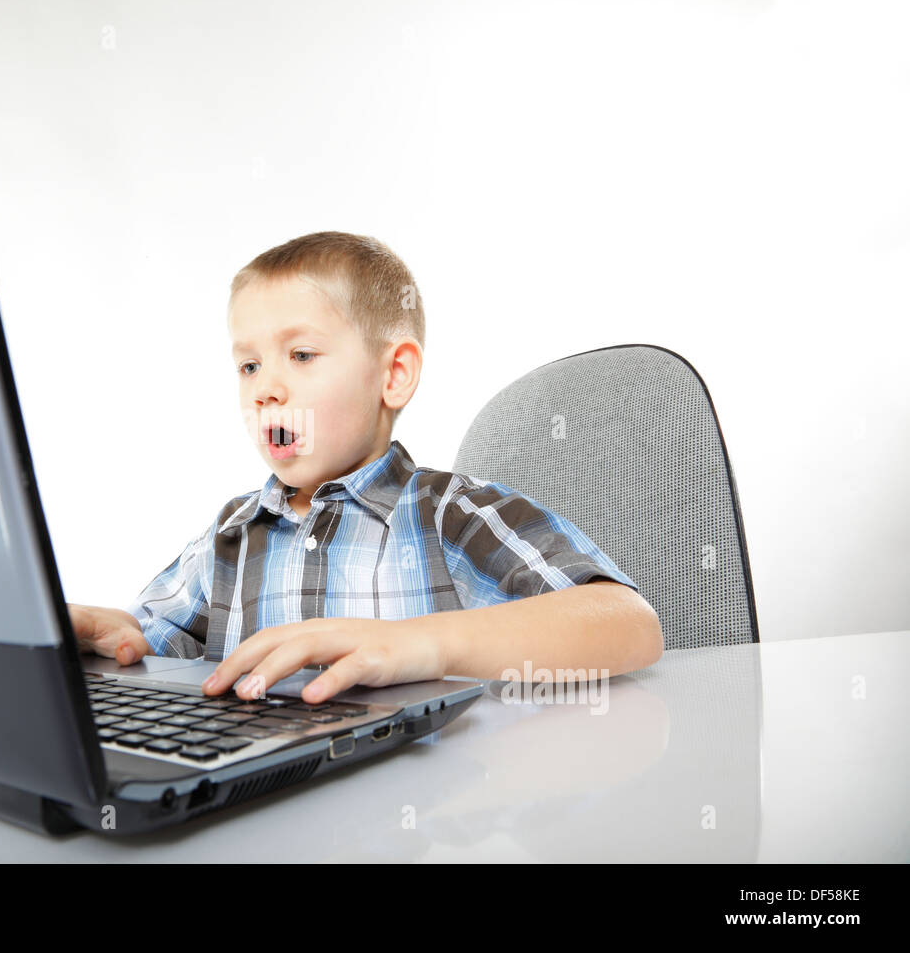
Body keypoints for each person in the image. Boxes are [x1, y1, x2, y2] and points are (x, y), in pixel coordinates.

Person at [68, 231, 662, 704]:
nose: (265, 390)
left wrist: (416, 645)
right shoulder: (230, 539)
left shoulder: (448, 517)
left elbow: (628, 624)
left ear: (393, 375)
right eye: (248, 366)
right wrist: (115, 635)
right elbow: (149, 641)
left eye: (301, 355)